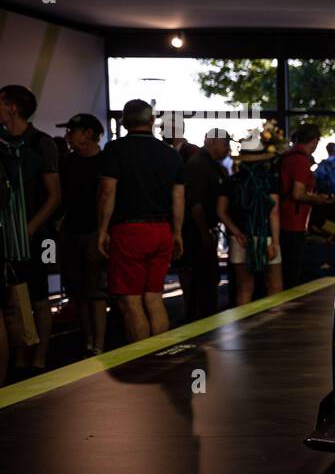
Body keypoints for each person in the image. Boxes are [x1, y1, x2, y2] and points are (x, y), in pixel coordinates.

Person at [96, 99, 184, 344]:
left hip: (129, 232)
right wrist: (177, 233)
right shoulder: (170, 154)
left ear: (124, 122)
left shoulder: (115, 150)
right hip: (162, 231)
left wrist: (102, 230)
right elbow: (179, 198)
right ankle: (162, 356)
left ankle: (142, 363)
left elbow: (107, 192)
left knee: (131, 299)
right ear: (152, 121)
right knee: (154, 297)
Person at [0, 84, 62, 376]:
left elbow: (54, 194)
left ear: (12, 107)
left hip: (39, 236)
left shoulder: (41, 143)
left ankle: (40, 358)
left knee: (39, 295)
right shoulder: (3, 141)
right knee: (15, 295)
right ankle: (20, 357)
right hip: (10, 234)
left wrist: (31, 227)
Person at [56, 114, 108, 356]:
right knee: (80, 292)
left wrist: (105, 232)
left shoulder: (106, 161)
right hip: (72, 232)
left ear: (88, 134)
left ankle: (99, 343)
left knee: (96, 292)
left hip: (95, 233)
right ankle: (88, 340)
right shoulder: (67, 162)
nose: (68, 135)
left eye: (72, 131)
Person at [217, 133, 282, 305]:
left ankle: (243, 329)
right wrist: (275, 242)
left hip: (240, 239)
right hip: (266, 237)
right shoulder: (269, 181)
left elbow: (221, 211)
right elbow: (274, 213)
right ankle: (274, 326)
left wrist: (236, 232)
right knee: (274, 286)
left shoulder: (232, 181)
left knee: (244, 288)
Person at [180, 128, 230, 320]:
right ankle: (199, 319)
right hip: (197, 230)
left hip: (206, 228)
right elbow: (195, 203)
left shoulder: (213, 165)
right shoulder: (198, 165)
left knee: (209, 278)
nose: (227, 149)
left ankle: (205, 317)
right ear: (211, 142)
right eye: (224, 144)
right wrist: (204, 232)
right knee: (202, 279)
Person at [278, 123, 332, 287]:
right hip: (294, 222)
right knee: (293, 271)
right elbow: (298, 193)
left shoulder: (287, 157)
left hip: (283, 218)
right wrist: (318, 199)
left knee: (287, 268)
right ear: (315, 140)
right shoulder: (301, 160)